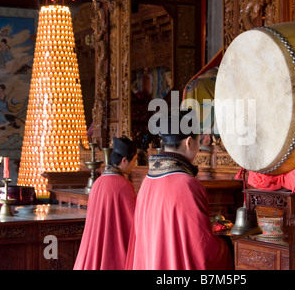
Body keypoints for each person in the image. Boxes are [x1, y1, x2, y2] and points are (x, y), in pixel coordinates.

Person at [125, 110, 233, 270]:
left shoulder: (147, 181)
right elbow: (202, 250)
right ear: (189, 142)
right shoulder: (187, 185)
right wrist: (227, 244)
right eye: (199, 141)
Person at [74, 136, 138, 270]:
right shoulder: (123, 185)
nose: (134, 165)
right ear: (124, 160)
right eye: (134, 160)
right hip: (113, 251)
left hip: (93, 247)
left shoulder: (97, 183)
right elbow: (135, 222)